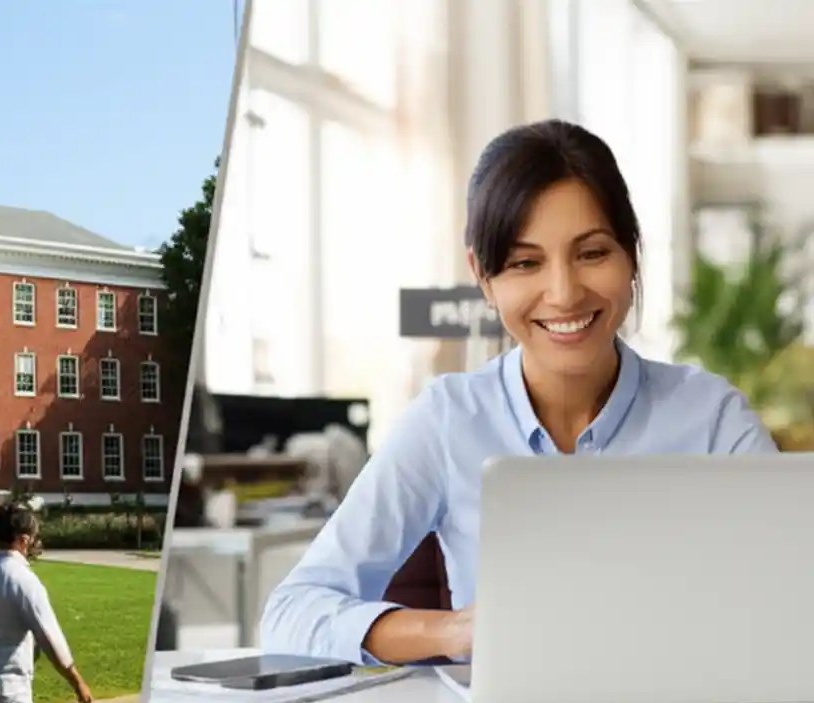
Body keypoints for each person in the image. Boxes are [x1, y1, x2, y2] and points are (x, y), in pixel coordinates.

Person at [259, 119, 779, 668]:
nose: (564, 293)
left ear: (631, 254)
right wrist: (453, 633)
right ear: (483, 277)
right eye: (525, 263)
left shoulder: (711, 417)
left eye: (593, 253)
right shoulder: (447, 420)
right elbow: (292, 613)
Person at [0, 503, 92, 703]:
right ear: (23, 540)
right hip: (10, 683)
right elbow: (50, 638)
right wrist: (77, 681)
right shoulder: (23, 579)